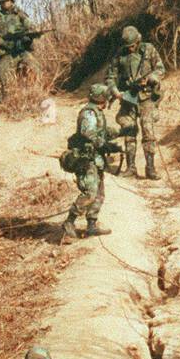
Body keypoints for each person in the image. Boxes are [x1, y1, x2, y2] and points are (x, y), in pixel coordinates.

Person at [59, 82, 122, 244]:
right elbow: (88, 133)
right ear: (101, 98)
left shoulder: (97, 112)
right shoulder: (88, 113)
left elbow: (103, 131)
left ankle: (92, 224)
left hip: (96, 159)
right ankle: (69, 223)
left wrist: (121, 132)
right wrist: (105, 145)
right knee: (90, 193)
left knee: (99, 194)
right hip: (87, 160)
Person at [105, 25, 165, 179]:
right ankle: (131, 167)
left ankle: (150, 168)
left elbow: (160, 69)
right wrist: (115, 91)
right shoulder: (119, 55)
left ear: (138, 41)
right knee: (129, 131)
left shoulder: (149, 50)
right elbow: (110, 77)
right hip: (128, 98)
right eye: (128, 47)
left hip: (147, 98)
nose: (130, 49)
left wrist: (152, 78)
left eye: (132, 46)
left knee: (148, 132)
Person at [0, 0, 41, 99]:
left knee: (35, 68)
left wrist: (28, 37)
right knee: (4, 76)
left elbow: (31, 27)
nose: (6, 4)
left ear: (12, 0)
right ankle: (10, 100)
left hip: (22, 50)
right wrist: (4, 43)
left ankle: (36, 94)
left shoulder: (20, 14)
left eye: (8, 1)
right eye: (3, 2)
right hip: (7, 53)